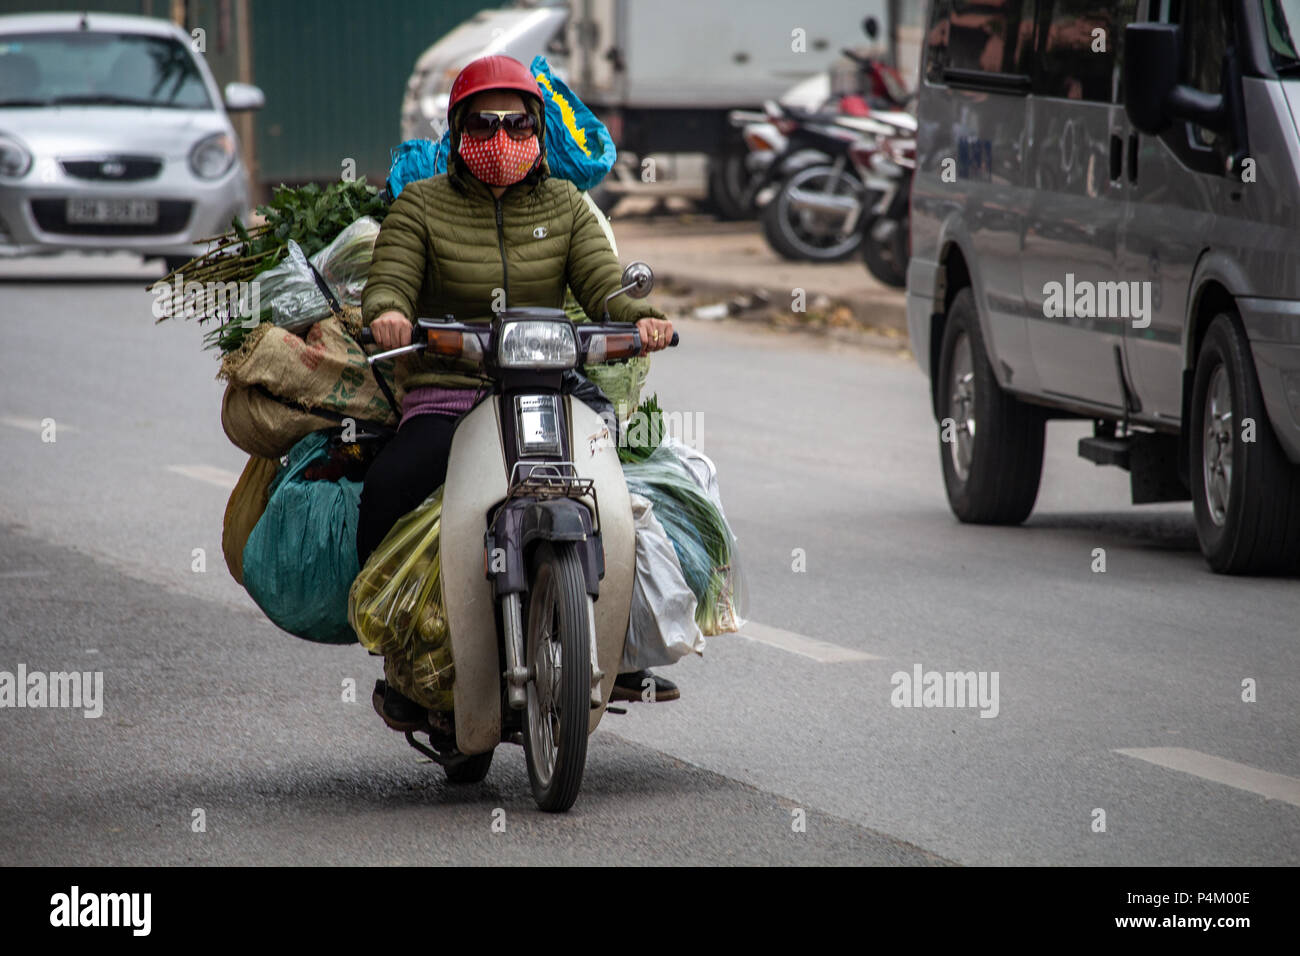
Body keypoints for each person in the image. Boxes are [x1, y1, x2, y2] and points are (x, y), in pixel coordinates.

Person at [359, 55, 678, 734]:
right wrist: (388, 312)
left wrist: (639, 319)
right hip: (454, 388)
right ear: (456, 130)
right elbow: (390, 279)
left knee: (623, 490)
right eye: (484, 123)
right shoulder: (421, 205)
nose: (501, 138)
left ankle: (620, 643)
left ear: (537, 129)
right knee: (390, 484)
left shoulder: (564, 204)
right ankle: (401, 656)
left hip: (550, 384)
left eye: (517, 123)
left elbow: (604, 286)